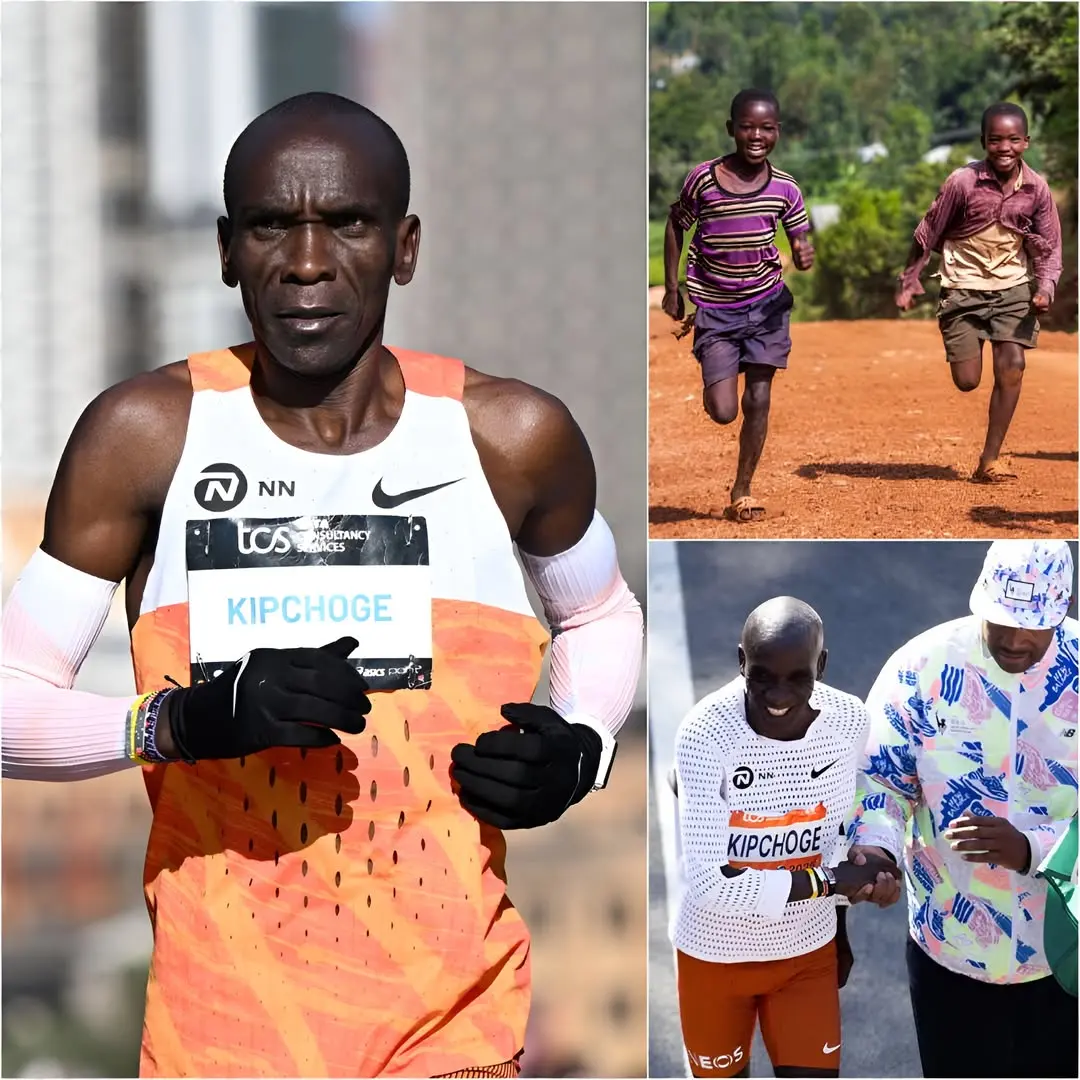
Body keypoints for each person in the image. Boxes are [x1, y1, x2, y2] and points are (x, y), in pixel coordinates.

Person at [1, 92, 643, 1079]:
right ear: (226, 250)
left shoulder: (511, 437)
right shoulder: (145, 437)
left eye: (346, 223)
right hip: (219, 1038)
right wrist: (182, 723)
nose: (306, 262)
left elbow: (597, 615)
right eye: (270, 225)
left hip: (456, 1034)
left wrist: (580, 746)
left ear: (404, 245)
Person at [850, 540, 1078, 1079]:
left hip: (1063, 955)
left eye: (1033, 626)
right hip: (947, 950)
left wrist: (1035, 848)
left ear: (1062, 609)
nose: (1015, 639)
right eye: (1001, 620)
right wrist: (878, 850)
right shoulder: (920, 668)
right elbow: (880, 780)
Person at [671, 597, 900, 1079]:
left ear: (821, 665)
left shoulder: (849, 721)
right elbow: (712, 884)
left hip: (806, 953)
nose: (779, 693)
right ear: (740, 663)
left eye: (798, 677)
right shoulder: (704, 734)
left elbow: (835, 837)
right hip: (716, 960)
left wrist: (841, 928)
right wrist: (830, 883)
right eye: (762, 676)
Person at [661, 89, 814, 524]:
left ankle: (742, 491)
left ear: (778, 132)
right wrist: (673, 288)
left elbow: (800, 235)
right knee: (724, 410)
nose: (756, 135)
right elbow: (676, 224)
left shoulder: (786, 186)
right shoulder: (703, 180)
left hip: (767, 305)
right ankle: (720, 371)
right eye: (747, 126)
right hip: (715, 307)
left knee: (760, 398)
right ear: (731, 129)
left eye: (767, 128)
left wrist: (804, 251)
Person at [895, 103, 1063, 484]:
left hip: (1013, 287)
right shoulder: (963, 183)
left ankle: (990, 459)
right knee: (967, 380)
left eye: (1014, 139)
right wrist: (910, 280)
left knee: (1013, 366)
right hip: (962, 288)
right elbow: (927, 233)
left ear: (1026, 141)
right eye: (996, 139)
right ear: (984, 141)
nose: (1005, 147)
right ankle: (965, 343)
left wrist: (1046, 288)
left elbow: (1051, 247)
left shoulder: (1037, 189)